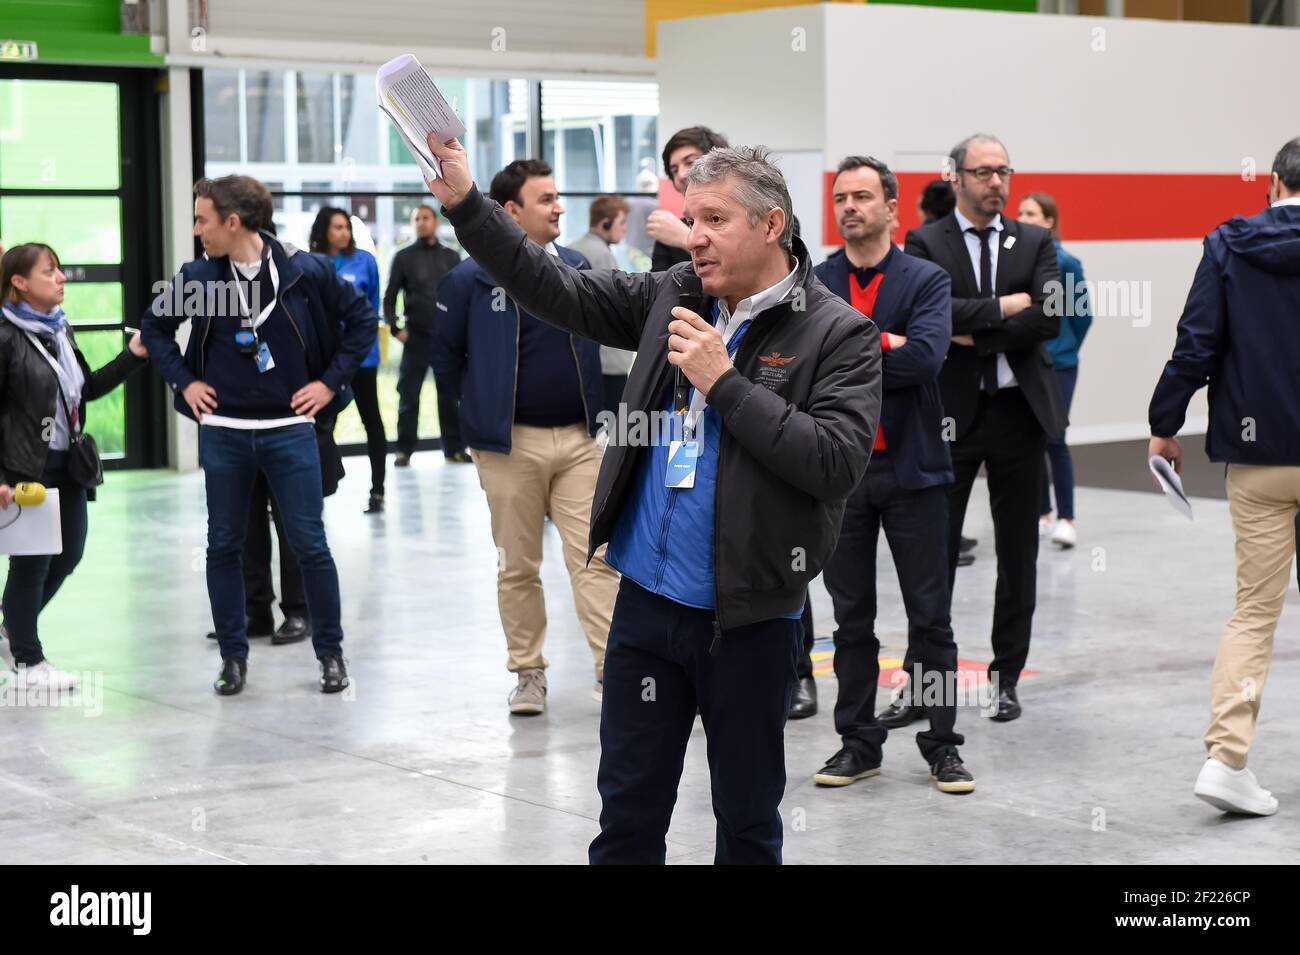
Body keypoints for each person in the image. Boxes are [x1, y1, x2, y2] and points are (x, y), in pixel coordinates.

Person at [425, 135, 880, 864]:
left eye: (713, 221)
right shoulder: (675, 293)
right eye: (689, 218)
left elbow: (832, 462)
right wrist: (466, 204)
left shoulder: (837, 332)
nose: (692, 238)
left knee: (747, 822)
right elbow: (556, 288)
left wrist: (724, 381)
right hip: (645, 608)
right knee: (628, 819)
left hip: (748, 622)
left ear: (770, 226)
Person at [142, 175, 375, 696]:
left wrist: (327, 383)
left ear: (233, 221)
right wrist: (185, 381)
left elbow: (361, 320)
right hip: (223, 434)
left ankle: (331, 654)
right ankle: (233, 657)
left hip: (291, 431)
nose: (197, 229)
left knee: (310, 545)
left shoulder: (303, 270)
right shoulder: (200, 277)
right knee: (223, 546)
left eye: (203, 219)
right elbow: (154, 328)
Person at [1148, 137, 1300, 818]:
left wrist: (1164, 421)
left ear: (1272, 182)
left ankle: (1226, 759)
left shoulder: (1228, 244)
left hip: (1259, 456)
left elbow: (1196, 340)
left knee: (1254, 611)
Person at [432, 159, 618, 715]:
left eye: (558, 196)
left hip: (582, 441)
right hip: (509, 447)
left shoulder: (580, 265)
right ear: (510, 212)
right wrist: (477, 427)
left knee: (596, 560)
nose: (559, 207)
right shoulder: (469, 279)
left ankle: (615, 671)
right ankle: (528, 673)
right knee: (518, 565)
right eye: (546, 199)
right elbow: (445, 361)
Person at [812, 156, 971, 793]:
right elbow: (802, 364)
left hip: (915, 471)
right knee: (852, 620)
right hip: (838, 473)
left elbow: (927, 361)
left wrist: (849, 347)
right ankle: (858, 743)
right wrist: (886, 342)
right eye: (841, 197)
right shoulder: (815, 280)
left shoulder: (927, 279)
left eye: (862, 196)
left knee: (930, 619)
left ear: (891, 208)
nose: (850, 206)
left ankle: (942, 743)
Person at [904, 134, 1064, 723]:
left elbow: (1049, 317)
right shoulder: (925, 239)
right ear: (958, 177)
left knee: (1018, 554)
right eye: (985, 172)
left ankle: (1006, 678)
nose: (997, 182)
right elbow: (929, 314)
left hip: (1019, 414)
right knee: (934, 553)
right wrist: (1004, 307)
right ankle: (925, 680)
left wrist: (974, 326)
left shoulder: (1036, 239)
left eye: (1004, 172)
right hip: (949, 416)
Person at [0, 243, 149, 689]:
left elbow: (83, 390)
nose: (62, 277)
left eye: (61, 270)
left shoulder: (59, 330)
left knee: (69, 554)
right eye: (50, 272)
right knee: (32, 564)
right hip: (27, 469)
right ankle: (28, 661)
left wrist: (133, 355)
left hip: (69, 465)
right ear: (20, 283)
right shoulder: (6, 337)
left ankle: (11, 630)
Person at [1017, 192, 1090, 550]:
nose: (1023, 218)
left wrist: (1063, 349)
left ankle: (1067, 518)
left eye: (1031, 213)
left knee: (1055, 438)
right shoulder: (1015, 261)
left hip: (1059, 364)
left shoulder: (1067, 263)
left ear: (1049, 221)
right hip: (1024, 360)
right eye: (1020, 213)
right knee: (1029, 437)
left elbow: (1081, 316)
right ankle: (1042, 512)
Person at [310, 207, 386, 513]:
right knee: (323, 425)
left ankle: (378, 490)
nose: (344, 233)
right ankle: (317, 489)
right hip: (329, 360)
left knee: (372, 421)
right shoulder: (314, 263)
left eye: (347, 228)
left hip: (363, 359)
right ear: (323, 231)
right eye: (337, 227)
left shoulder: (365, 261)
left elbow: (372, 308)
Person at [383, 204, 466, 466]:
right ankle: (404, 450)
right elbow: (389, 296)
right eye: (416, 219)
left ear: (436, 223)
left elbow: (462, 296)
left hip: (445, 340)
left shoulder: (451, 256)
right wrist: (395, 328)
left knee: (449, 397)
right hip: (416, 337)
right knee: (409, 396)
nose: (421, 222)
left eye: (425, 218)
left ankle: (453, 449)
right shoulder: (403, 257)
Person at [569, 194, 637, 417]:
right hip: (607, 362)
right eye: (621, 222)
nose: (624, 229)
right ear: (605, 223)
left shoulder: (575, 248)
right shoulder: (602, 256)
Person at [645, 125, 728, 272]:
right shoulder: (667, 234)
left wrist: (684, 237)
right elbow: (659, 291)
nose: (682, 175)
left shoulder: (743, 218)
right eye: (674, 170)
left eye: (690, 162)